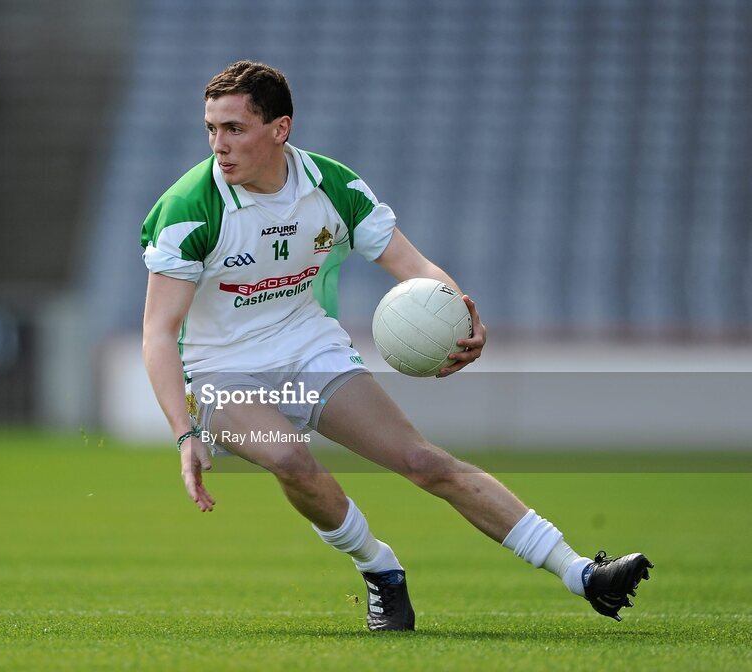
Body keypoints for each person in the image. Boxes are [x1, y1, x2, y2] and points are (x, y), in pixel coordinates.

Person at [140, 60, 652, 631]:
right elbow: (159, 332)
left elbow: (412, 266)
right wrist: (184, 435)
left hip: (311, 353)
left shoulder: (333, 186)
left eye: (234, 128)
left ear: (279, 129)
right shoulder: (189, 209)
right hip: (222, 375)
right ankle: (380, 569)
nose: (219, 146)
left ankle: (581, 572)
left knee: (424, 462)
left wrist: (460, 311)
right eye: (211, 129)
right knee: (289, 457)